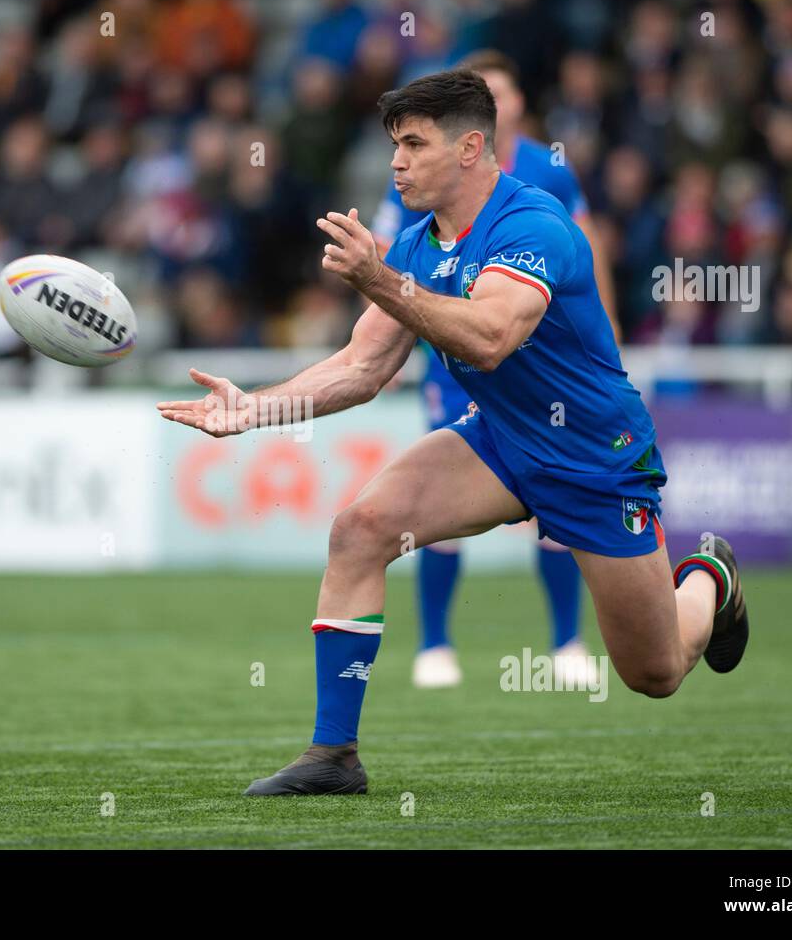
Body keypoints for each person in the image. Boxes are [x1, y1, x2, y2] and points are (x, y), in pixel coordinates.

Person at [157, 69, 749, 796]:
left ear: (471, 147)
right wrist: (256, 410)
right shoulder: (414, 245)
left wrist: (381, 281)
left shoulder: (534, 226)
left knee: (654, 671)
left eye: (413, 144)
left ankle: (708, 582)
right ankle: (333, 755)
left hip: (594, 456)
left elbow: (491, 336)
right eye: (393, 145)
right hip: (500, 438)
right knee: (361, 526)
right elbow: (362, 366)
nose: (396, 162)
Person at [369, 51, 619, 689]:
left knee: (649, 658)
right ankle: (434, 646)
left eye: (507, 95)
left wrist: (604, 336)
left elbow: (585, 250)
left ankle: (567, 641)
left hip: (533, 366)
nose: (400, 158)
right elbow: (395, 259)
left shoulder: (544, 178)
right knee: (399, 517)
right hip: (455, 366)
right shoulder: (420, 174)